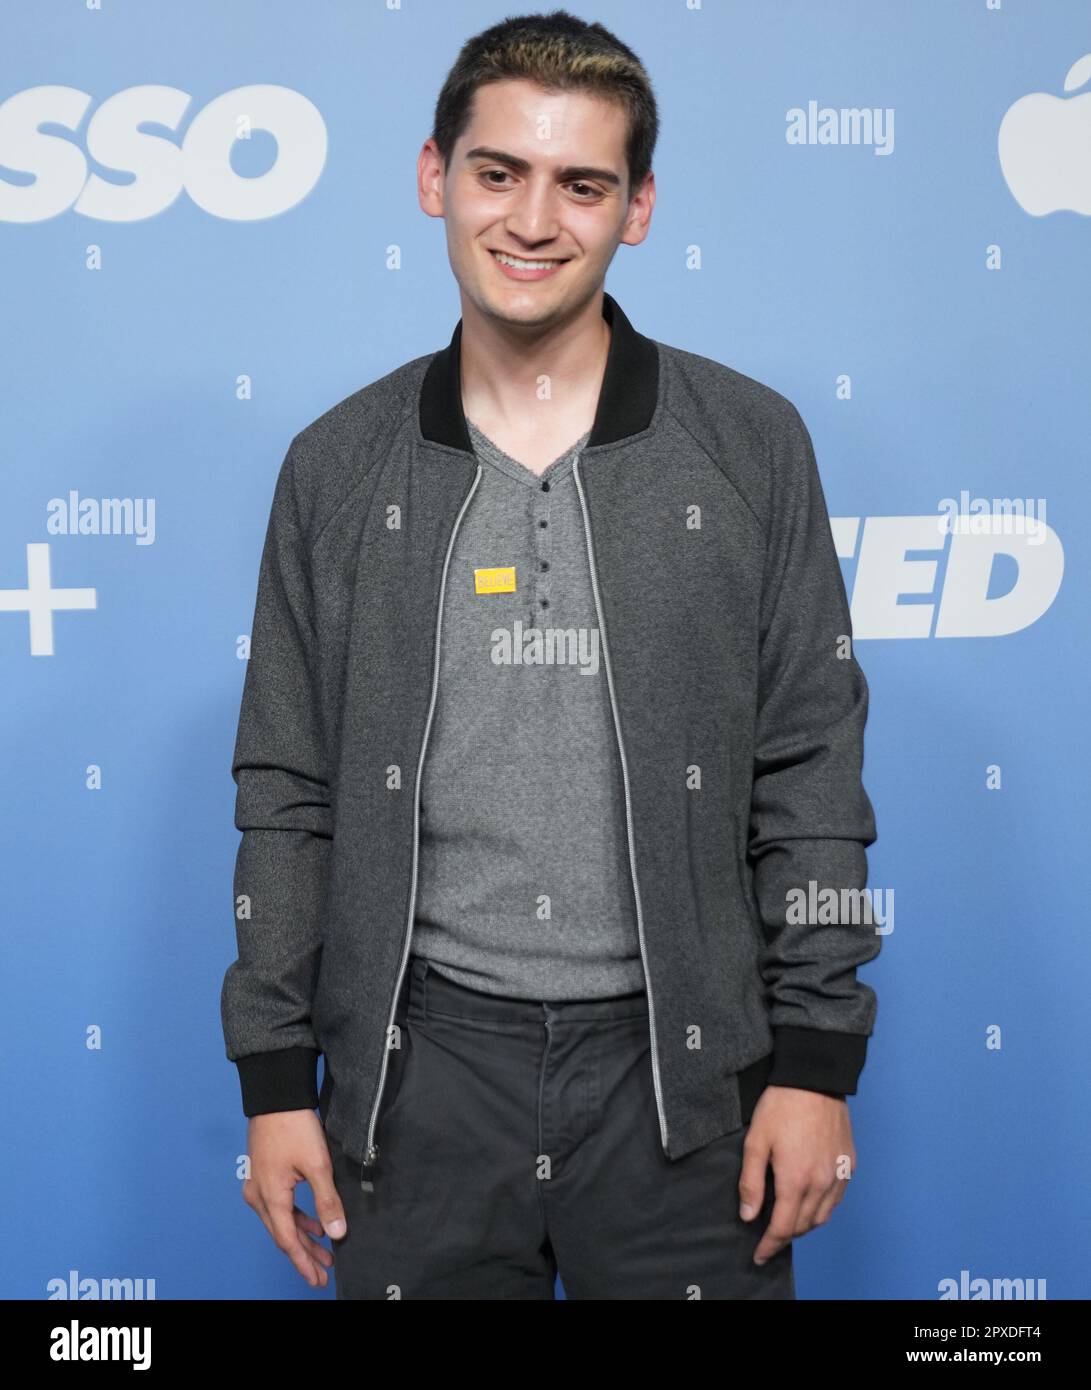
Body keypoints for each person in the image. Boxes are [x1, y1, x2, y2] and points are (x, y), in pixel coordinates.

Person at [220, 8, 880, 1300]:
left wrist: (815, 1062)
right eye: (497, 172)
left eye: (582, 184)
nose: (533, 221)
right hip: (417, 1078)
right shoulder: (336, 466)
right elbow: (287, 793)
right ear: (433, 178)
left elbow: (814, 770)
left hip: (685, 1074)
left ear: (637, 208)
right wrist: (273, 1076)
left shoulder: (750, 447)